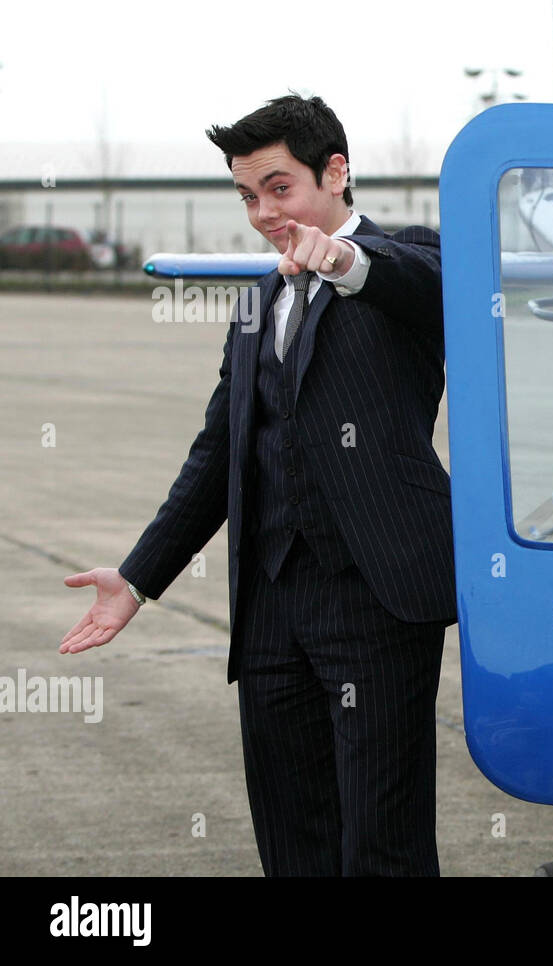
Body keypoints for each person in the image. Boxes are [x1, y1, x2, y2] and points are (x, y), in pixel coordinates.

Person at [58, 94, 456, 876]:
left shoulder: (404, 255)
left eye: (280, 188)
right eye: (248, 196)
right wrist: (140, 577)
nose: (264, 213)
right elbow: (219, 453)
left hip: (375, 595)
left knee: (382, 842)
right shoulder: (256, 301)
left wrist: (342, 262)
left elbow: (428, 286)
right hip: (271, 603)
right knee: (291, 840)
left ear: (336, 172)